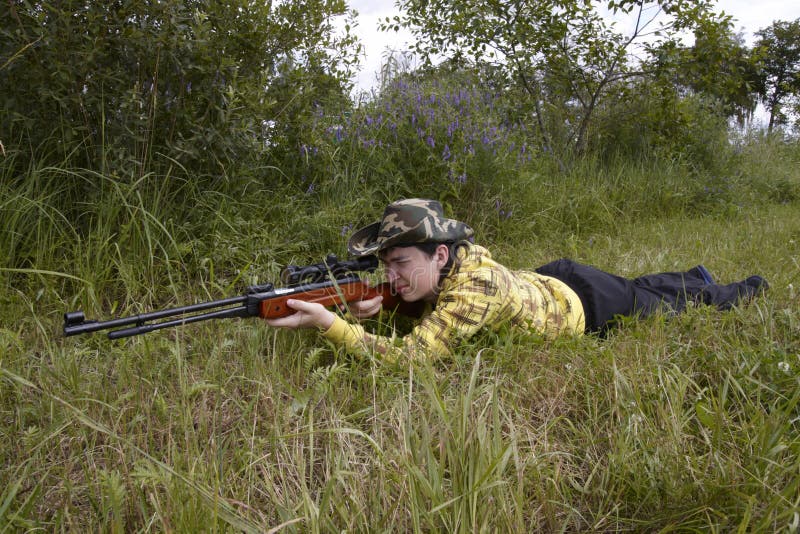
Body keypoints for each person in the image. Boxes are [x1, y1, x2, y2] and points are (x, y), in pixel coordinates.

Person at [266, 199, 767, 362]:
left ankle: (738, 289)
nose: (390, 275)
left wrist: (331, 325)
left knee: (659, 302)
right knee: (642, 285)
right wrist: (378, 311)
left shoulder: (477, 286)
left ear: (440, 254)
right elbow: (428, 307)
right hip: (546, 280)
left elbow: (414, 359)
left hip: (586, 305)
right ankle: (691, 276)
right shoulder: (447, 267)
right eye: (386, 265)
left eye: (399, 263)